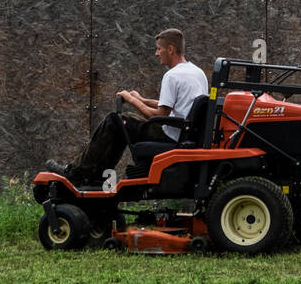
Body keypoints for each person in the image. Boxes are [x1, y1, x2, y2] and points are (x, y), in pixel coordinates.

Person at [43, 29, 209, 186]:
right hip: (183, 133)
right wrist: (142, 99)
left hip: (169, 135)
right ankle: (96, 178)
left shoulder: (172, 76)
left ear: (171, 49)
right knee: (122, 125)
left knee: (114, 120)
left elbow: (157, 115)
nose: (156, 53)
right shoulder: (196, 72)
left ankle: (76, 173)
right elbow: (173, 105)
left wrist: (130, 99)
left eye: (159, 49)